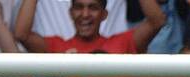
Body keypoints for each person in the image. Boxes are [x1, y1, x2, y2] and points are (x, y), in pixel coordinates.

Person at [14, 0, 166, 52]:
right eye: (79, 7)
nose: (85, 14)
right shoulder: (56, 47)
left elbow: (157, 22)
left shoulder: (122, 43)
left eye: (92, 7)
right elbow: (22, 35)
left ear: (104, 14)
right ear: (70, 13)